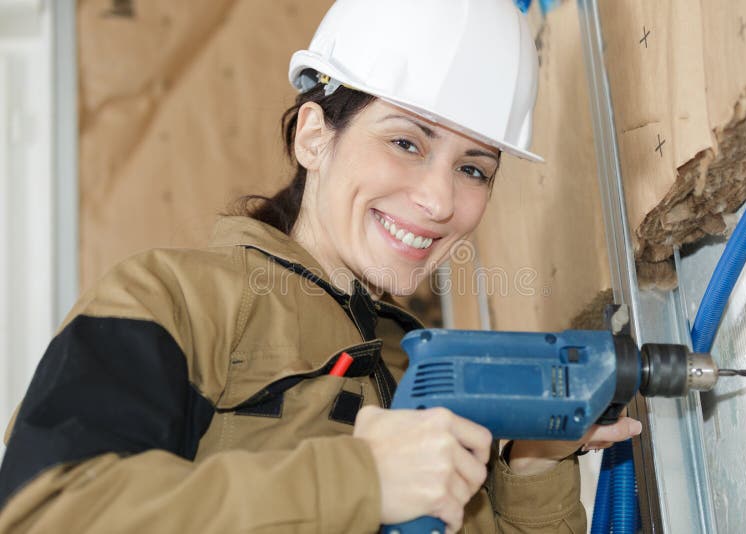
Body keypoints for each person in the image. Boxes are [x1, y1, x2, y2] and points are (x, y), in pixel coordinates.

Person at [0, 0, 641, 532]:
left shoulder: (414, 359)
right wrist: (360, 478)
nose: (441, 200)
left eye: (473, 168)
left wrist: (536, 462)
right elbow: (48, 512)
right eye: (405, 142)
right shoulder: (175, 299)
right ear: (314, 135)